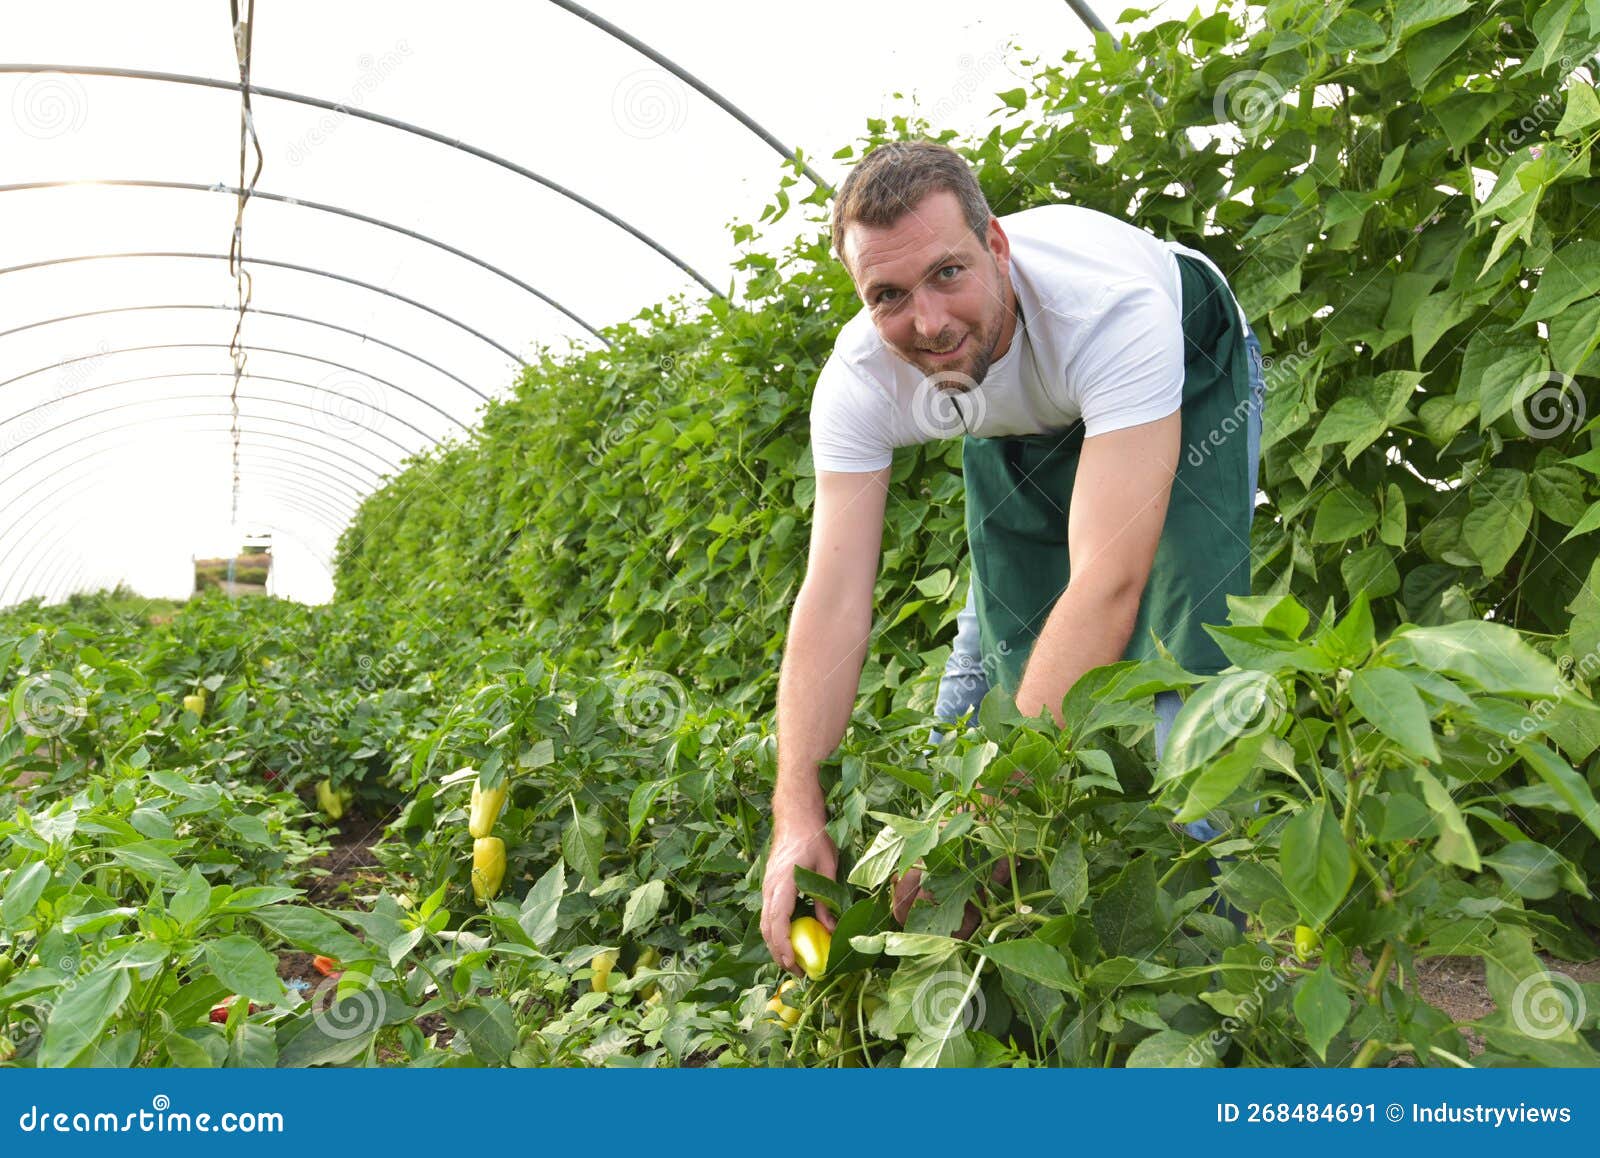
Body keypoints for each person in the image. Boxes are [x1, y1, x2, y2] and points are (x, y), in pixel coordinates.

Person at [760, 140, 1264, 976]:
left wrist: (984, 827)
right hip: (1016, 411)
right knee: (1006, 648)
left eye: (948, 273)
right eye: (887, 294)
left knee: (1186, 663)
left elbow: (1109, 583)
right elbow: (833, 600)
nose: (926, 322)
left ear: (997, 247)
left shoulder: (1109, 312)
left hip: (1181, 375)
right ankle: (992, 940)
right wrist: (795, 817)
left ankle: (1222, 972)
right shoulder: (861, 378)